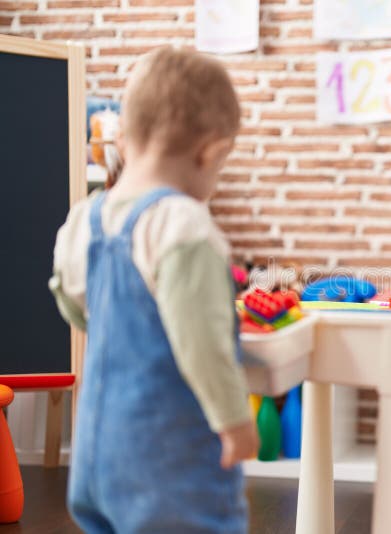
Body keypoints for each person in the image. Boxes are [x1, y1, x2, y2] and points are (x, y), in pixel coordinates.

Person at [49, 46, 257, 533]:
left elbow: (72, 302)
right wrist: (234, 422)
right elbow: (200, 342)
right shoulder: (183, 225)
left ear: (122, 135)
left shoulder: (85, 218)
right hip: (168, 462)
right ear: (212, 152)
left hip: (97, 456)